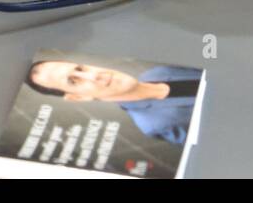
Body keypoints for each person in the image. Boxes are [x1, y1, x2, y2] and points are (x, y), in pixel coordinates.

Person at [27, 60, 199, 146]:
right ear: (78, 97)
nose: (94, 76)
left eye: (80, 69)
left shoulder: (159, 71)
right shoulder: (156, 125)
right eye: (74, 81)